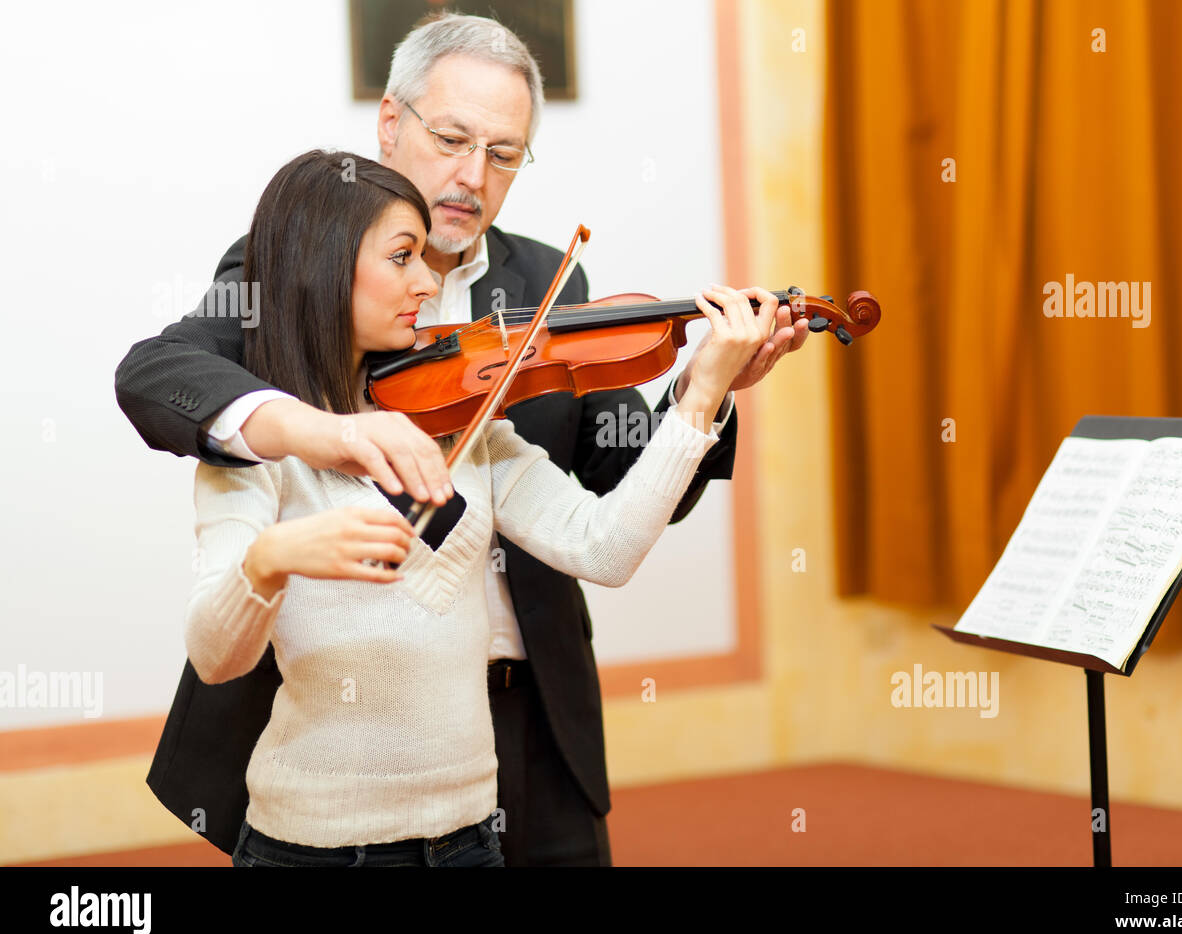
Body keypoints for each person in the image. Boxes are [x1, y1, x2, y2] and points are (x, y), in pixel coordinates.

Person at [115, 12, 807, 865]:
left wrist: (704, 394)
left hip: (525, 708)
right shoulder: (288, 263)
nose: (471, 176)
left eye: (504, 154)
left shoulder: (549, 282)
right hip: (334, 733)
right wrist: (327, 436)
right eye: (451, 137)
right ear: (392, 123)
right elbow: (161, 374)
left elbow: (608, 485)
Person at [197, 148, 770, 866]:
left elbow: (605, 547)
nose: (427, 278)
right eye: (403, 257)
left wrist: (704, 393)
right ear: (324, 267)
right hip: (313, 848)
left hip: (470, 837)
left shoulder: (469, 427)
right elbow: (218, 658)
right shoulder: (254, 441)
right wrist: (271, 559)